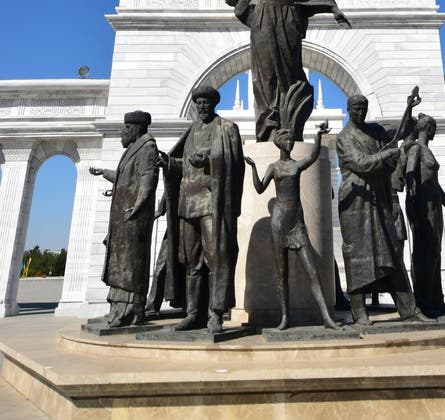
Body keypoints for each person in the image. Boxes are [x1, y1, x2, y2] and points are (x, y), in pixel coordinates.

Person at [222, 0, 350, 141]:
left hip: (288, 17)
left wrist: (333, 8)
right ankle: (269, 128)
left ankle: (291, 126)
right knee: (264, 71)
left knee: (291, 71)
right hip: (262, 17)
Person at [336, 91, 424, 326]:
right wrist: (385, 155)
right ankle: (359, 311)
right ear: (348, 110)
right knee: (358, 256)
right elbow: (360, 163)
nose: (361, 112)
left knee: (391, 252)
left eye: (364, 108)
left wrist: (408, 109)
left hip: (379, 200)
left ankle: (408, 309)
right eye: (357, 109)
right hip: (356, 204)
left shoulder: (374, 130)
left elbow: (398, 133)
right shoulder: (344, 138)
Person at [161, 85, 245, 332]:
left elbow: (236, 163)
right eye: (198, 102)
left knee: (216, 258)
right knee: (191, 261)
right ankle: (193, 313)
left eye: (206, 102)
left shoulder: (226, 129)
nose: (202, 106)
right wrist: (168, 162)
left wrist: (210, 159)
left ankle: (215, 313)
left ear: (214, 103)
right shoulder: (191, 131)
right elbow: (183, 166)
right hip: (187, 203)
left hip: (212, 203)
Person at [245, 123, 337, 330]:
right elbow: (260, 188)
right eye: (287, 140)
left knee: (312, 271)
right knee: (281, 273)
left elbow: (312, 157)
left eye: (291, 140)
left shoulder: (296, 165)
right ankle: (284, 317)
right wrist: (252, 168)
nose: (290, 142)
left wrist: (319, 137)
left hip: (297, 222)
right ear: (279, 143)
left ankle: (326, 317)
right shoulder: (274, 167)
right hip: (278, 222)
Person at [90, 110, 159, 328]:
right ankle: (117, 308)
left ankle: (130, 311)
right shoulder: (132, 150)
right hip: (123, 216)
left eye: (127, 128)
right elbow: (126, 178)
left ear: (136, 128)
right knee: (119, 262)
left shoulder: (147, 148)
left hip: (133, 216)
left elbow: (149, 179)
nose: (123, 132)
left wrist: (137, 206)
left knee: (130, 263)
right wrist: (105, 173)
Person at [404, 113, 445, 318]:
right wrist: (412, 200)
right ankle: (423, 300)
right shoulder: (416, 149)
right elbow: (409, 174)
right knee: (424, 254)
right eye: (434, 128)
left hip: (435, 207)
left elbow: (432, 180)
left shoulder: (427, 150)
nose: (435, 132)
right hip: (422, 207)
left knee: (435, 253)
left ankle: (437, 299)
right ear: (428, 128)